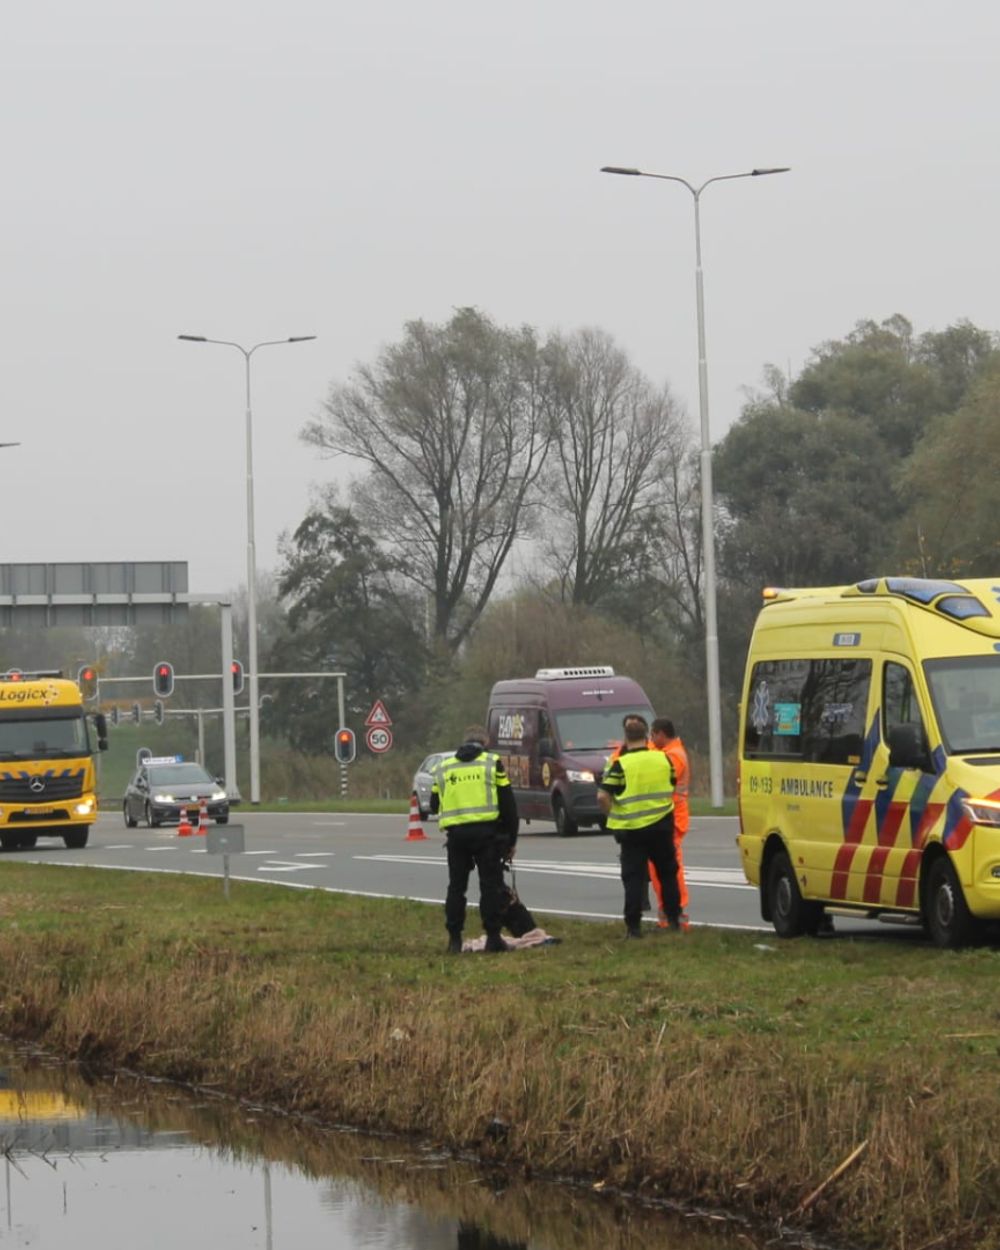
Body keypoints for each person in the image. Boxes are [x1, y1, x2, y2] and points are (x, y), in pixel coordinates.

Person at [431, 725, 519, 954]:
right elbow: (508, 804)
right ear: (485, 743)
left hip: (457, 836)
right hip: (486, 836)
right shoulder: (492, 763)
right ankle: (493, 938)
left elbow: (432, 804)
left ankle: (454, 940)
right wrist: (511, 840)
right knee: (490, 887)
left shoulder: (443, 767)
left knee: (456, 887)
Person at [597, 714, 682, 938]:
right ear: (647, 736)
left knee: (633, 878)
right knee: (668, 874)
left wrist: (613, 815)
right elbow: (672, 784)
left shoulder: (620, 765)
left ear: (625, 738)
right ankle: (674, 920)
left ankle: (634, 927)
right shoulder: (663, 759)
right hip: (662, 825)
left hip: (632, 830)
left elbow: (602, 796)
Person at [650, 717, 691, 927]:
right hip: (669, 814)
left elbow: (659, 777)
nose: (650, 738)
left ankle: (677, 911)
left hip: (673, 816)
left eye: (652, 734)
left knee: (669, 867)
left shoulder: (674, 756)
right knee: (660, 866)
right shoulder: (668, 752)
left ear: (661, 734)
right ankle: (668, 911)